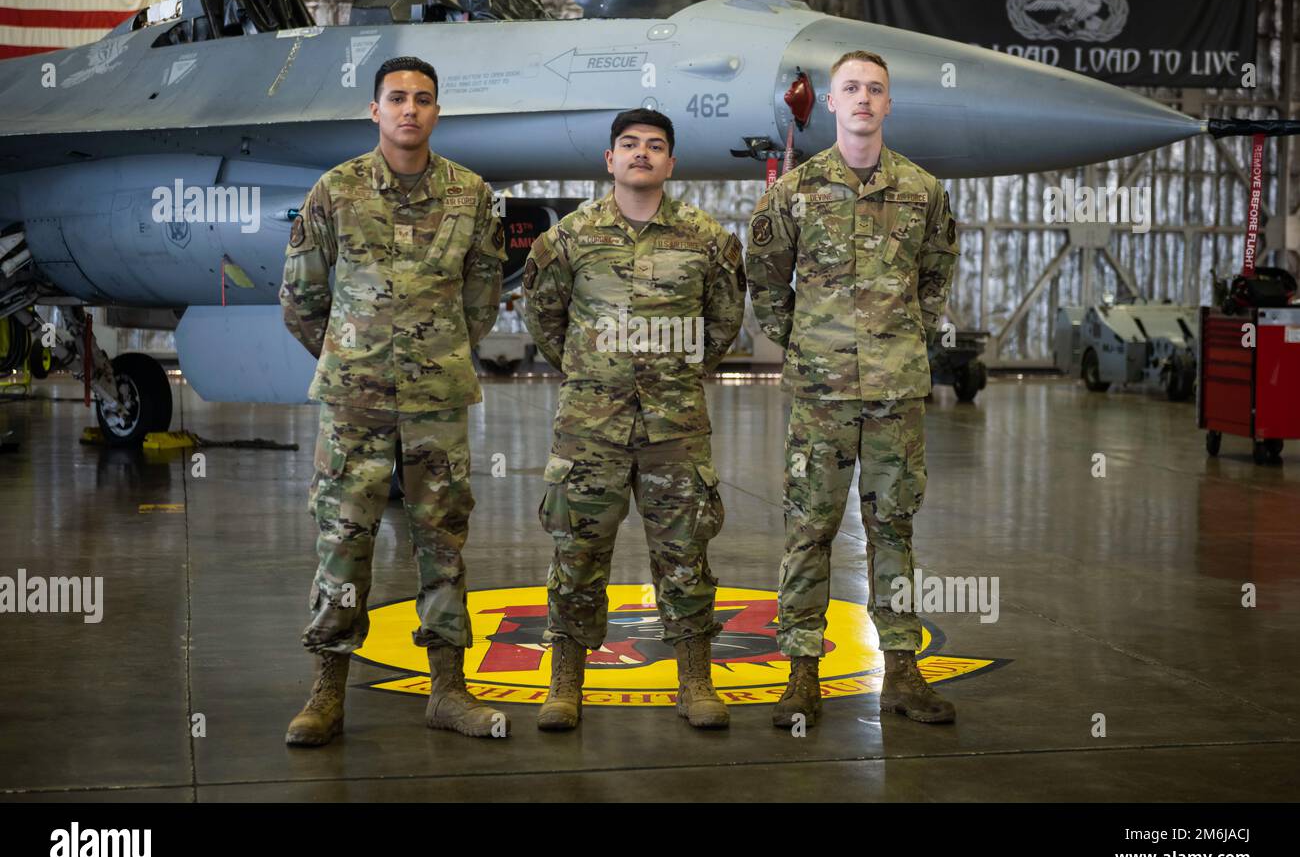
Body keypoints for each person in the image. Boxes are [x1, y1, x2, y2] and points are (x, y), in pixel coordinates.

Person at [280, 55, 507, 745]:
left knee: (443, 544)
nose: (410, 109)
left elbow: (481, 302)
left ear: (438, 112)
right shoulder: (336, 190)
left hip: (437, 406)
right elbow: (300, 300)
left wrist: (429, 357)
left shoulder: (472, 196)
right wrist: (355, 360)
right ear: (374, 110)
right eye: (397, 98)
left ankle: (447, 690)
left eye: (424, 99)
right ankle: (326, 692)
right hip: (354, 407)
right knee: (344, 544)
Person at [746, 50, 961, 726]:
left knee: (893, 527)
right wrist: (808, 344)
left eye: (875, 89)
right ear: (830, 103)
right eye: (851, 89)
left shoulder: (923, 191)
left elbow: (935, 278)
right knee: (809, 529)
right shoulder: (795, 192)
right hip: (821, 393)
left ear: (889, 104)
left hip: (895, 391)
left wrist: (904, 338)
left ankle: (901, 668)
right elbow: (766, 280)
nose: (864, 98)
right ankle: (802, 673)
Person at [521, 108, 745, 730]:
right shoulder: (568, 238)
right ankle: (565, 682)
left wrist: (672, 373)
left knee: (686, 555)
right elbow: (545, 318)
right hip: (590, 429)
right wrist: (595, 371)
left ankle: (694, 680)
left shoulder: (709, 241)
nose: (640, 153)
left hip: (675, 430)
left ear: (671, 163)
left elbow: (722, 325)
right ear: (609, 160)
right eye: (628, 144)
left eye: (654, 146)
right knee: (577, 554)